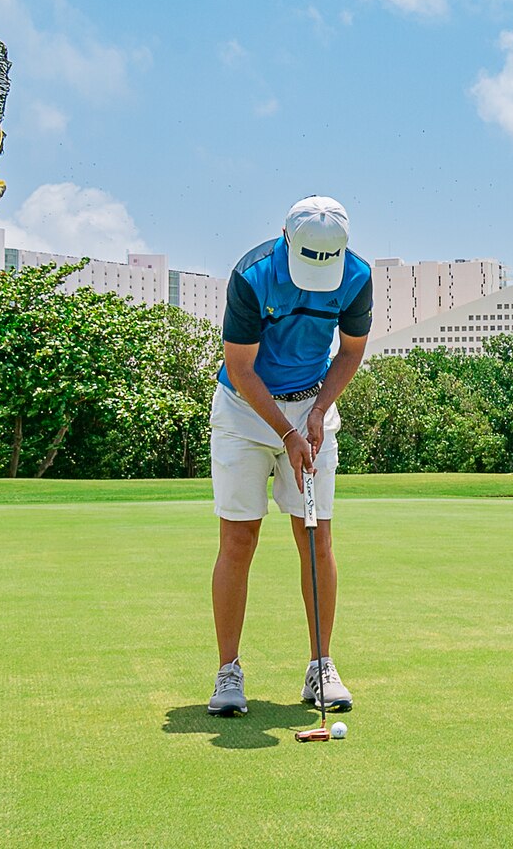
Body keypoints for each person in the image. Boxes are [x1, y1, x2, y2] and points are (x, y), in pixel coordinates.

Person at [206, 196, 371, 717]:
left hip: (310, 408)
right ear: (283, 236)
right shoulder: (252, 276)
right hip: (244, 410)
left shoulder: (357, 276)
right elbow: (241, 366)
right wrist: (285, 433)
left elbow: (350, 351)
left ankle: (321, 667)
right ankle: (227, 672)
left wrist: (319, 412)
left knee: (316, 536)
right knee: (239, 537)